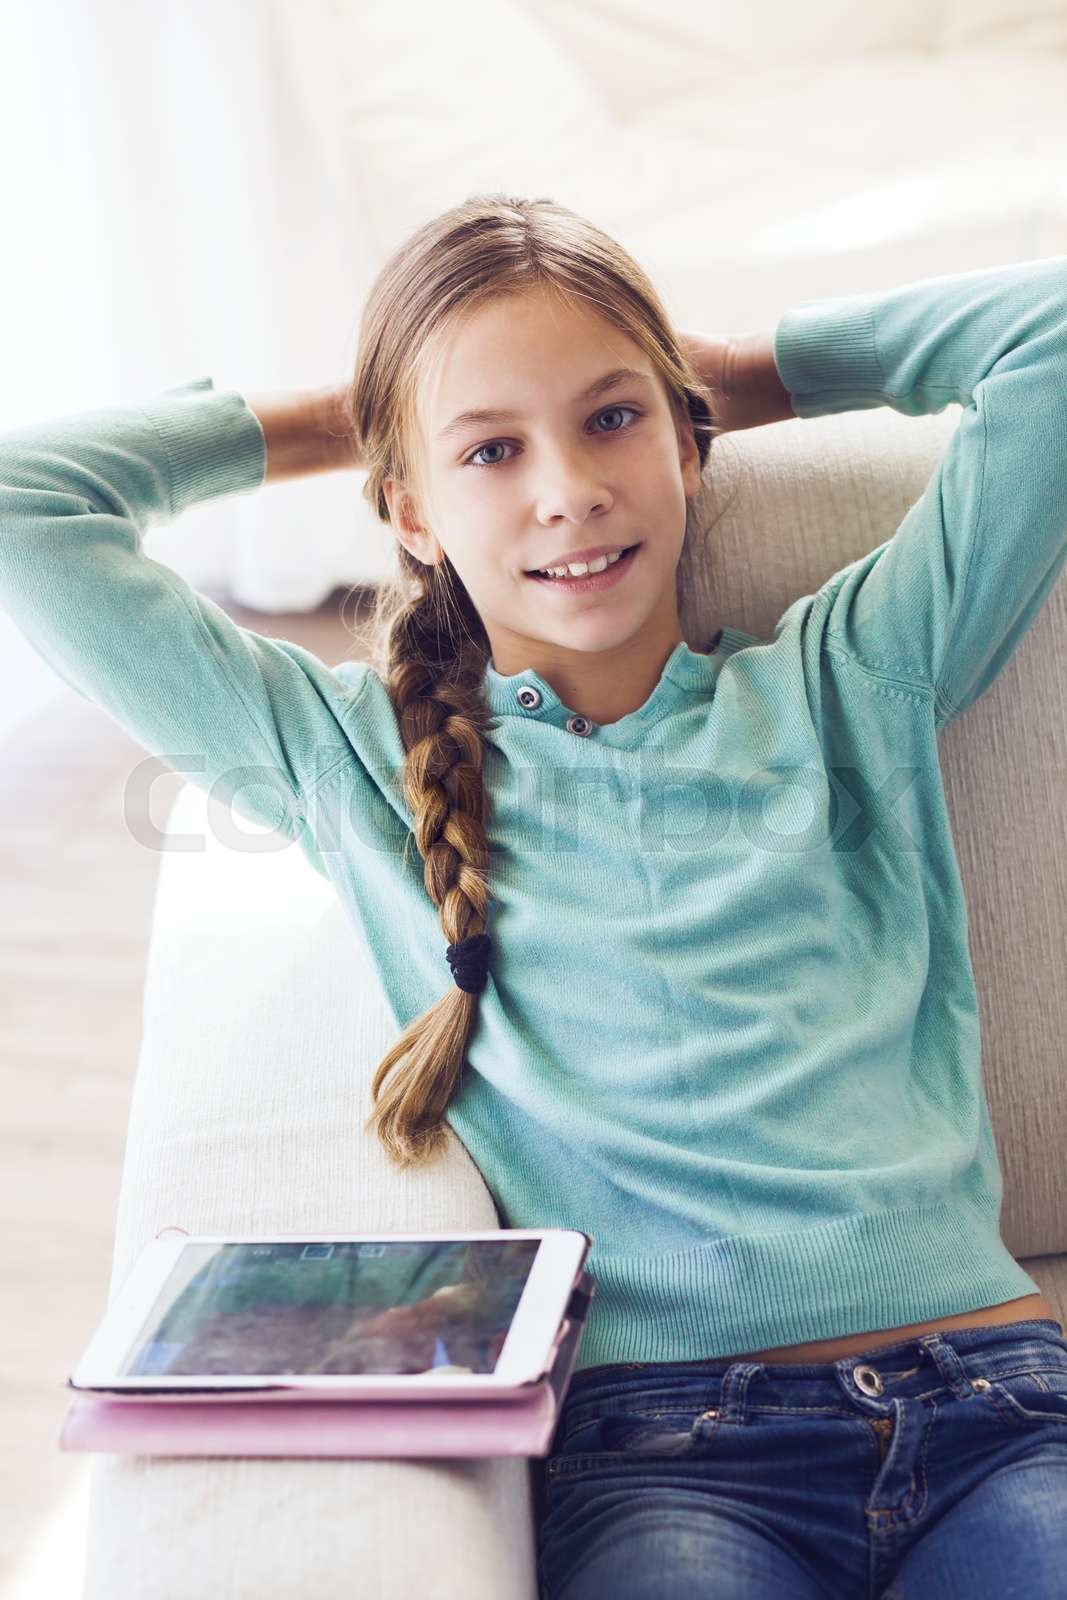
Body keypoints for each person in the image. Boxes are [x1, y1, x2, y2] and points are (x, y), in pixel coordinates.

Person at [1, 194, 1065, 1596]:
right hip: (670, 1457)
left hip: (994, 1407)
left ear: (692, 443)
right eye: (492, 451)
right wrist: (346, 417)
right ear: (412, 513)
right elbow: (31, 504)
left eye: (614, 418)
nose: (567, 487)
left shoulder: (847, 680)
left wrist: (742, 370)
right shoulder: (357, 767)